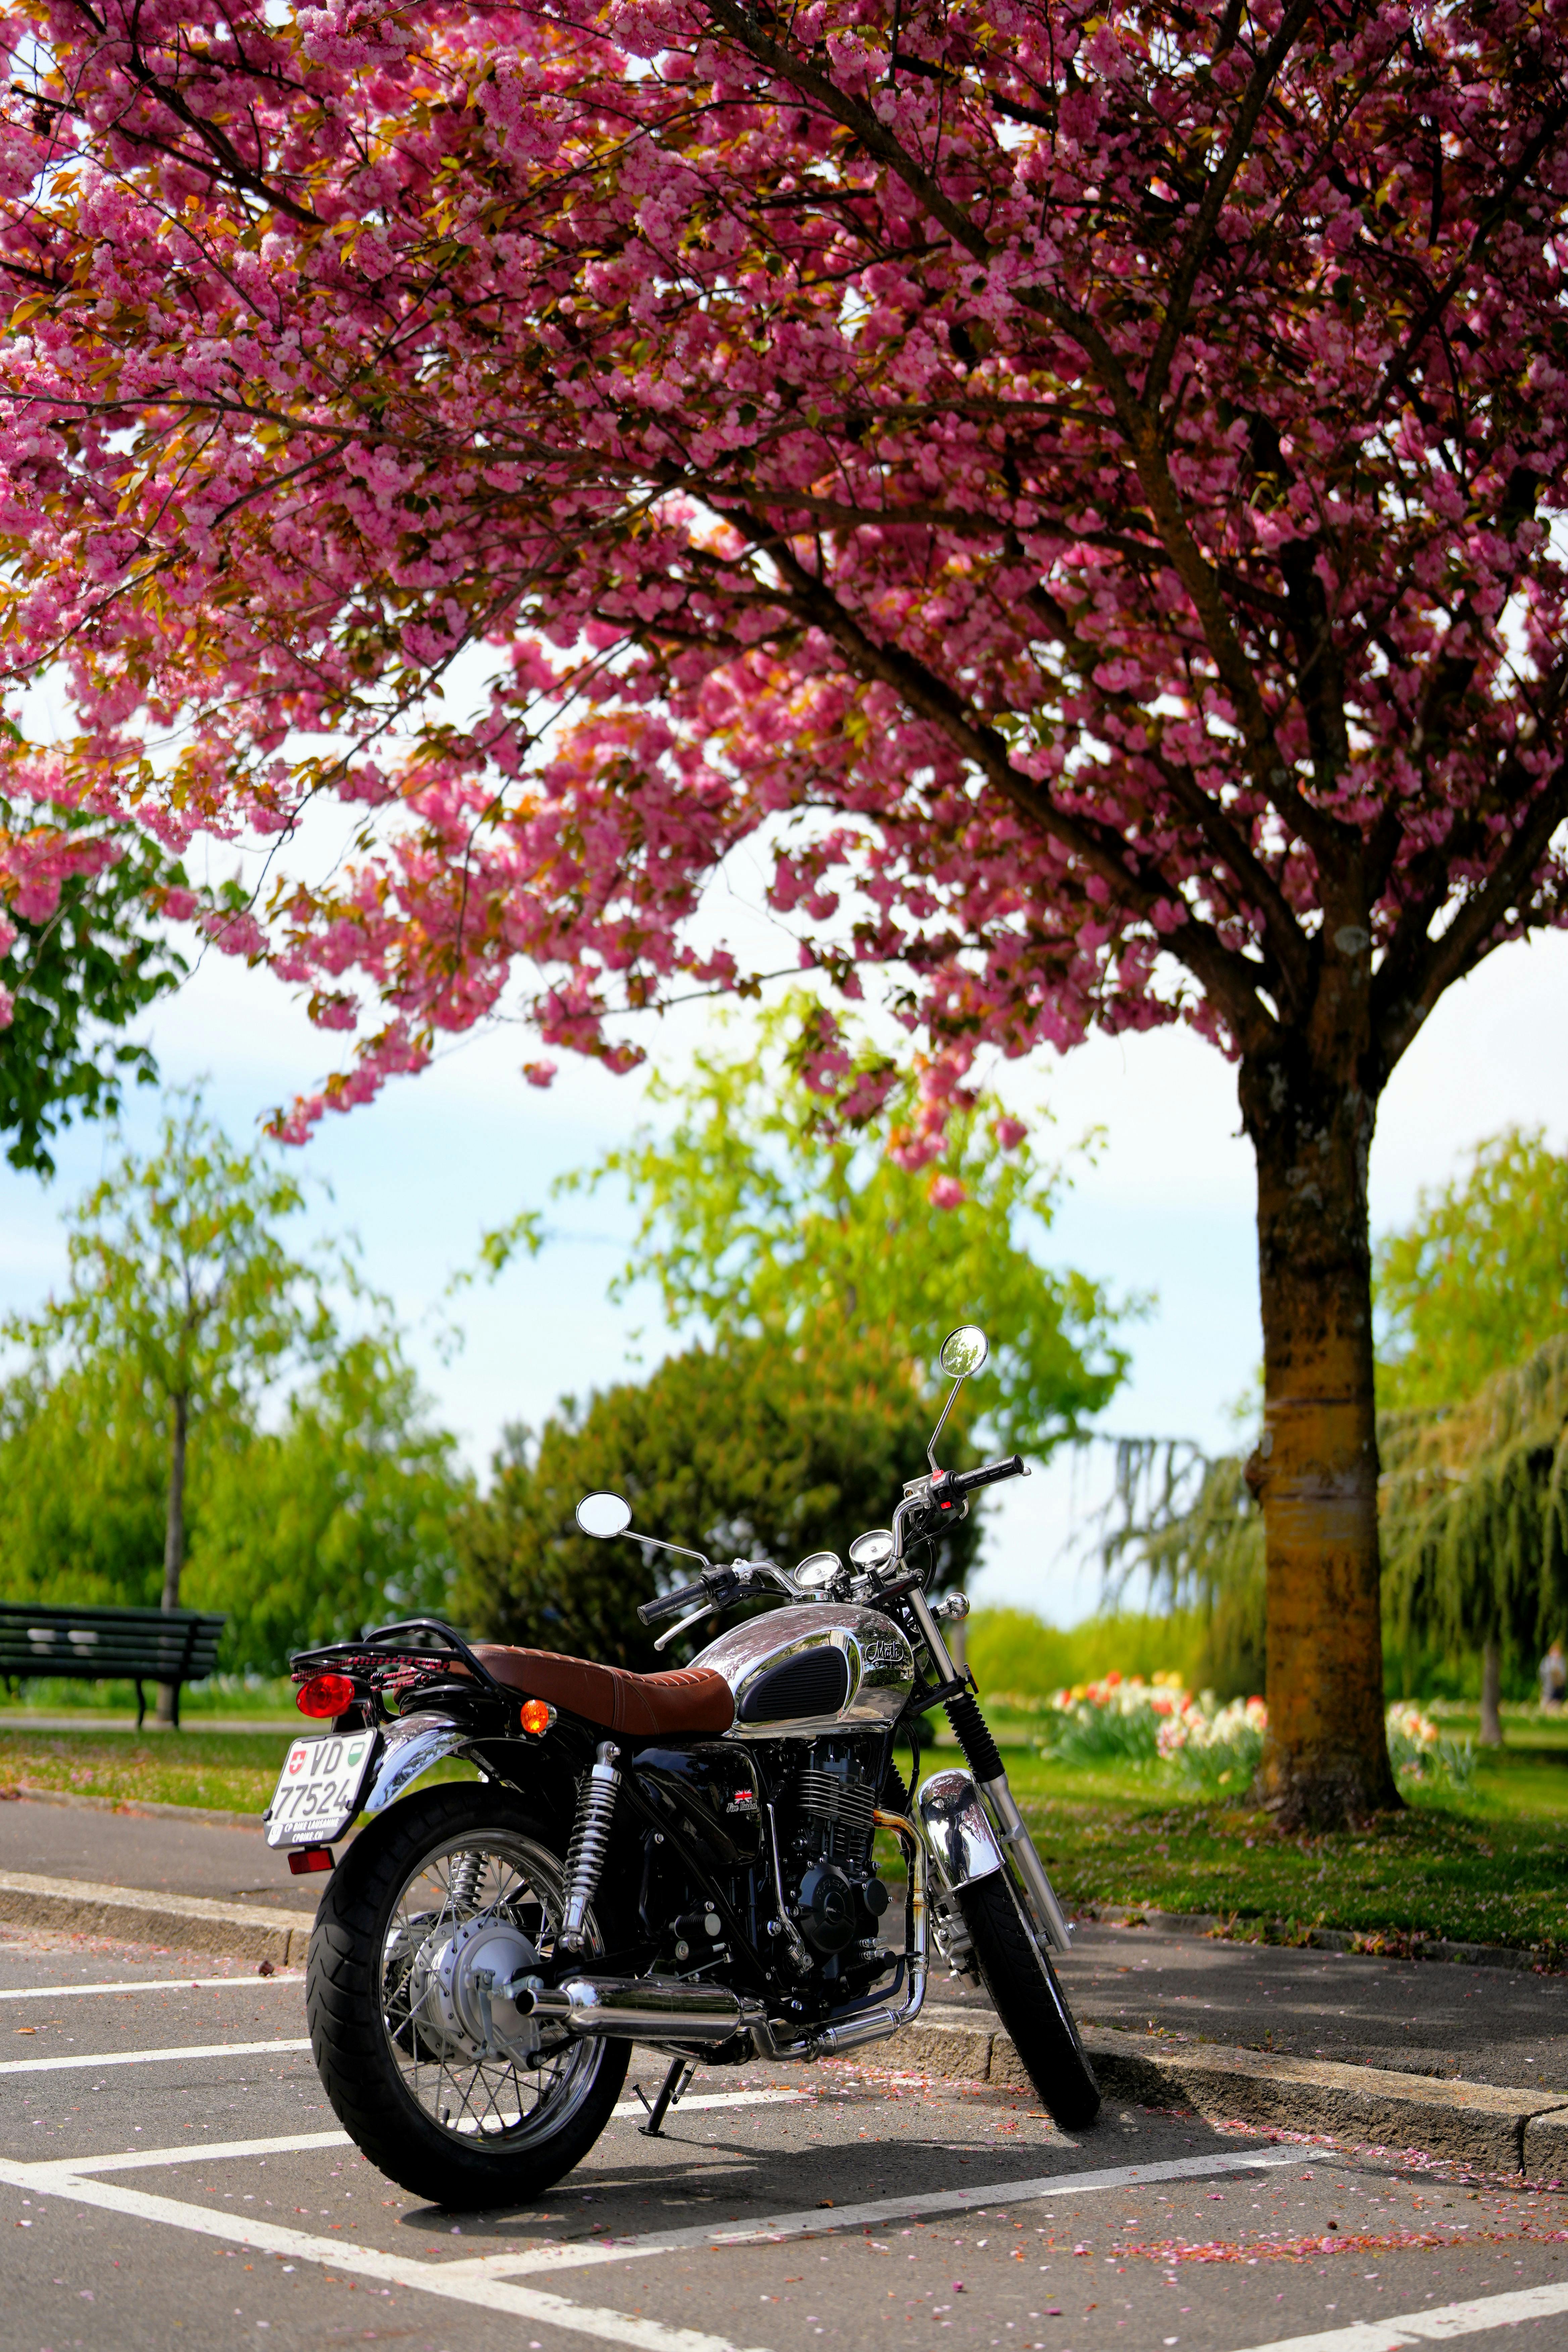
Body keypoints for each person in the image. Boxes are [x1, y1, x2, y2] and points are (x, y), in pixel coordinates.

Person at [1540, 1641, 1566, 1711]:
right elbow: (1543, 1674)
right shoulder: (1547, 1661)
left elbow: (1563, 1677)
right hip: (1548, 1688)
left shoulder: (1562, 1661)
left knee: (1556, 1705)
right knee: (1546, 1705)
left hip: (1559, 1688)